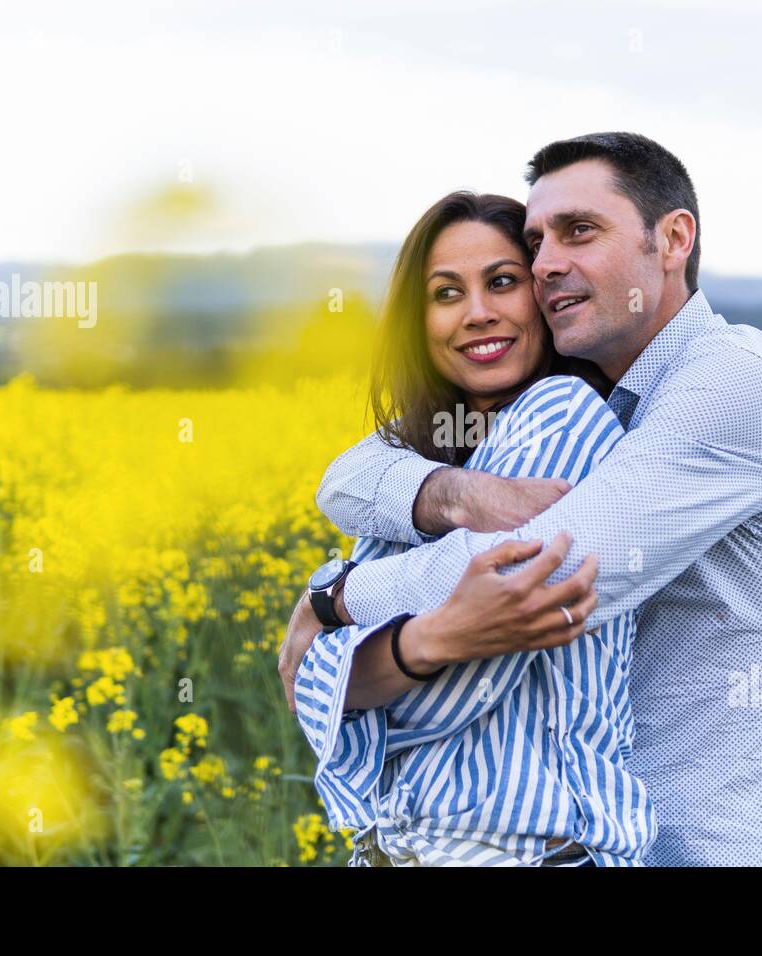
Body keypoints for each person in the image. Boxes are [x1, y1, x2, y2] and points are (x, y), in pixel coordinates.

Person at [282, 132, 762, 866]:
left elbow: (535, 573)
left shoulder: (726, 384)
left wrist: (336, 599)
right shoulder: (597, 406)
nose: (548, 265)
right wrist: (449, 491)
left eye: (579, 231)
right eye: (536, 243)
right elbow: (349, 475)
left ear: (673, 239)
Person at [291, 190, 656, 866]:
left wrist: (341, 616)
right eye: (446, 293)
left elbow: (422, 705)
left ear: (544, 297)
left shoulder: (565, 413)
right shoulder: (414, 456)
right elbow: (315, 692)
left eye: (503, 282)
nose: (478, 312)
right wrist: (452, 503)